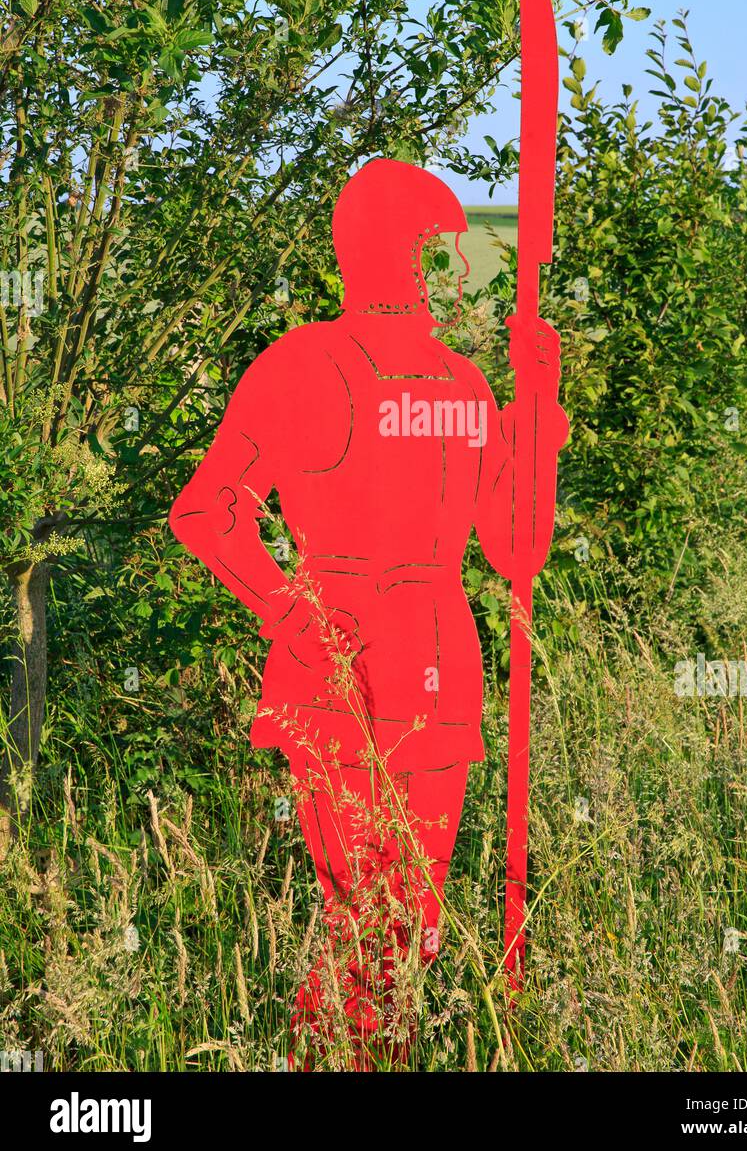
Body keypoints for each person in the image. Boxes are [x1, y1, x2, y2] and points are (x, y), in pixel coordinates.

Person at [169, 157, 568, 1058]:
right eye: (435, 249)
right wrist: (288, 611)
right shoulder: (304, 364)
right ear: (385, 254)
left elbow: (515, 550)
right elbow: (206, 509)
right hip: (340, 675)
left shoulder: (466, 383)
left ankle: (382, 1052)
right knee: (360, 919)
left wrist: (536, 409)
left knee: (415, 922)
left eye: (451, 251)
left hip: (442, 669)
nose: (453, 271)